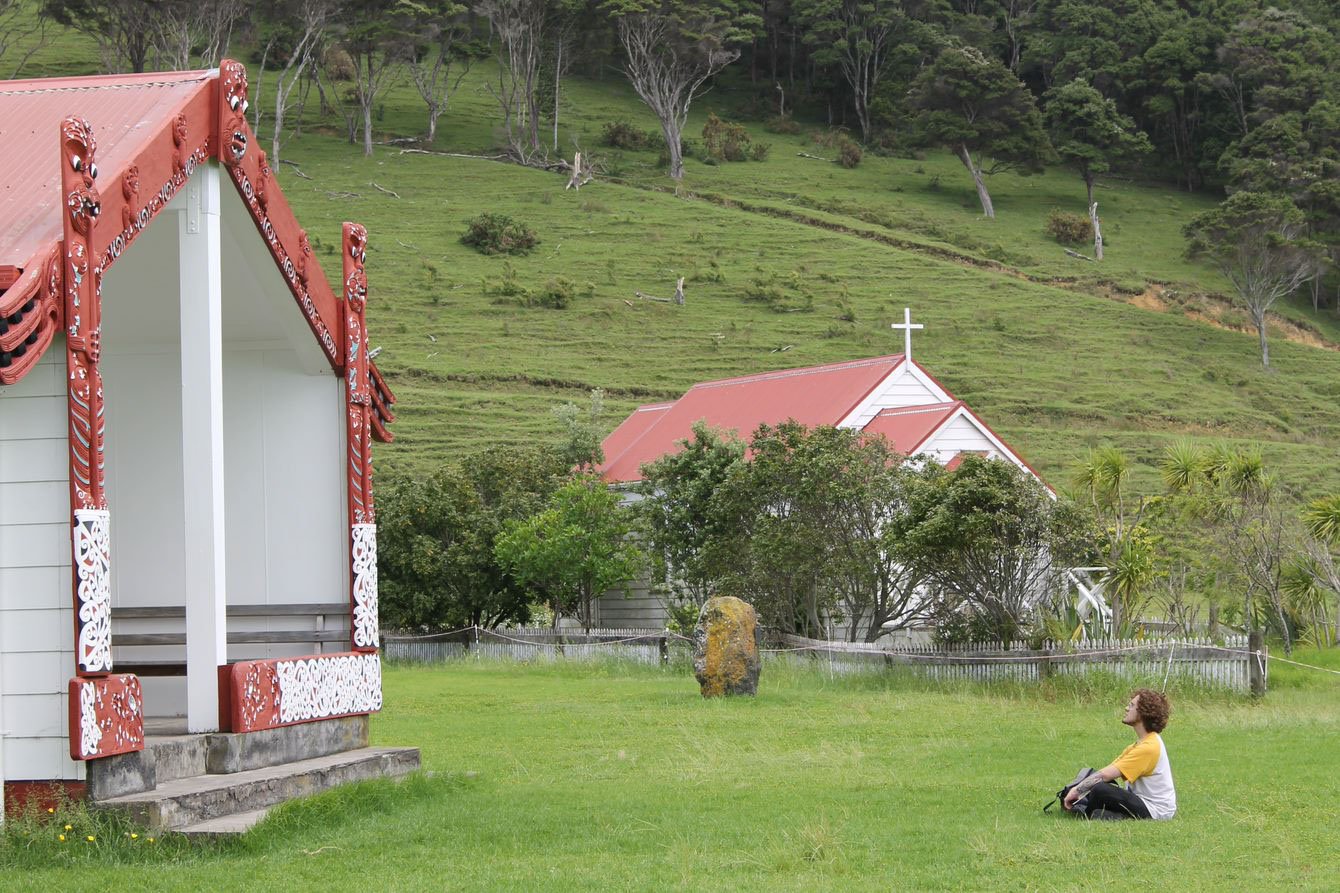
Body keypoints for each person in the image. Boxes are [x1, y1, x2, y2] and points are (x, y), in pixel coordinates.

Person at [1063, 688, 1176, 820]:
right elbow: (1111, 768)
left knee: (1100, 790)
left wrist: (1076, 791)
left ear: (1143, 713)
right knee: (1094, 786)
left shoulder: (1149, 747)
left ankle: (1090, 814)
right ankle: (1103, 814)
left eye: (1132, 705)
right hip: (1141, 800)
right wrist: (1079, 787)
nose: (1126, 708)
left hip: (1156, 810)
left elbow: (1105, 775)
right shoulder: (1139, 744)